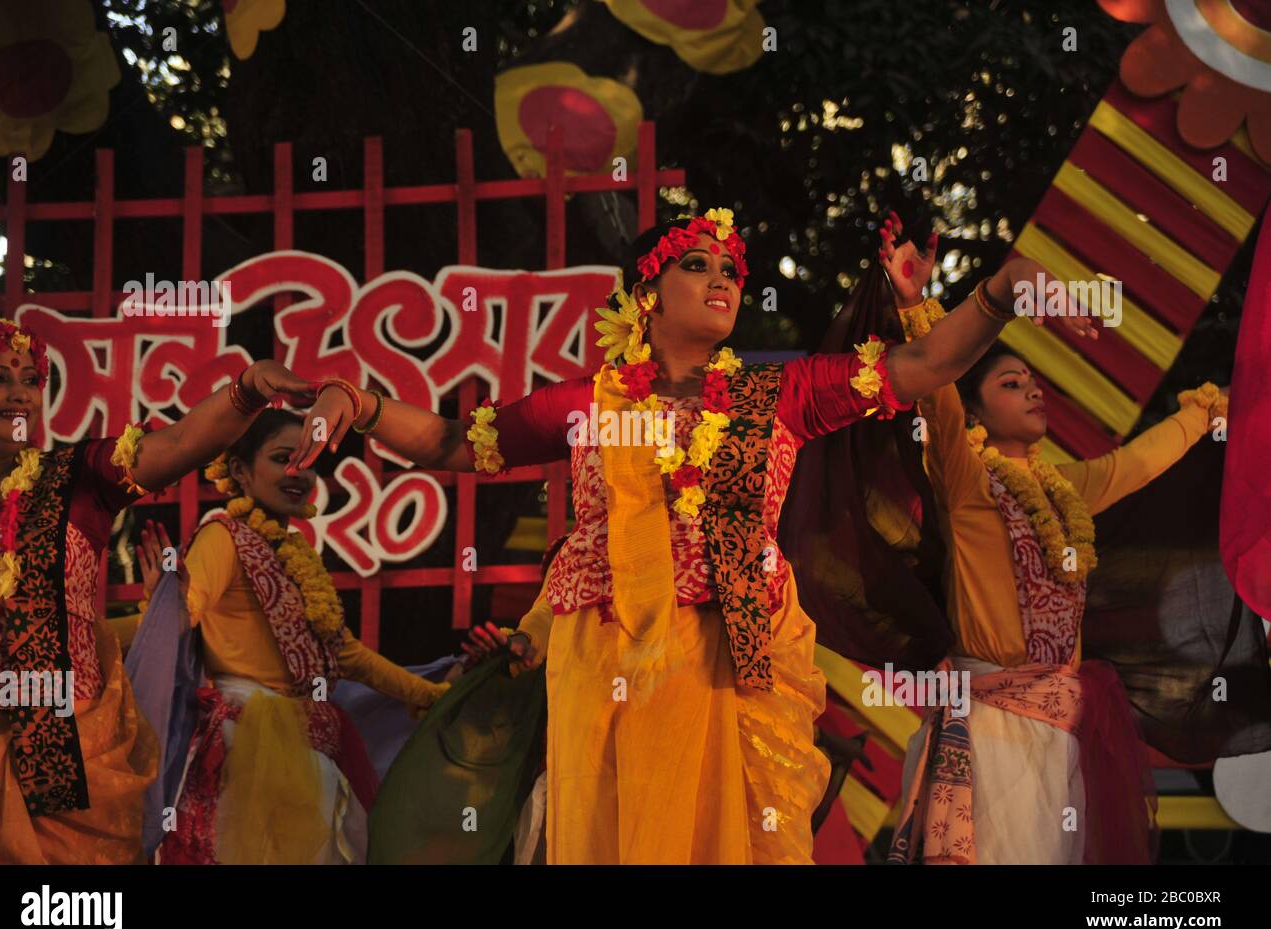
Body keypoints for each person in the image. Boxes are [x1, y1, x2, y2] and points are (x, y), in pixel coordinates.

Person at [290, 207, 1091, 863]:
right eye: (697, 265)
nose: (721, 280)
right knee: (614, 833)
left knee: (726, 837)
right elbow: (453, 442)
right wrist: (356, 404)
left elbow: (917, 365)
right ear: (646, 293)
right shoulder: (590, 402)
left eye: (731, 270)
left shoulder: (779, 393)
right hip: (604, 652)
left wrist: (1002, 292)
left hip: (730, 652)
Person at [883, 247, 1229, 864]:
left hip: (1059, 736)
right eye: (1011, 385)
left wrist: (1212, 409)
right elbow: (935, 393)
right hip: (987, 730)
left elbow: (1140, 461)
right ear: (980, 413)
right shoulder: (966, 479)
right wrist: (915, 305)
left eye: (1034, 384)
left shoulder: (1069, 489)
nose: (1032, 392)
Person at [0, 315, 316, 863]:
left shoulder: (77, 479)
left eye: (32, 380)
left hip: (61, 749)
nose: (20, 395)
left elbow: (179, 442)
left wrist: (246, 392)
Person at [133, 409, 455, 864]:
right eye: (282, 458)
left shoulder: (294, 551)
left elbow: (347, 654)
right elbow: (185, 613)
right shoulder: (224, 538)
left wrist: (429, 694)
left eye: (307, 461)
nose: (296, 473)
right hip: (248, 746)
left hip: (312, 748)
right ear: (240, 471)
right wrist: (161, 605)